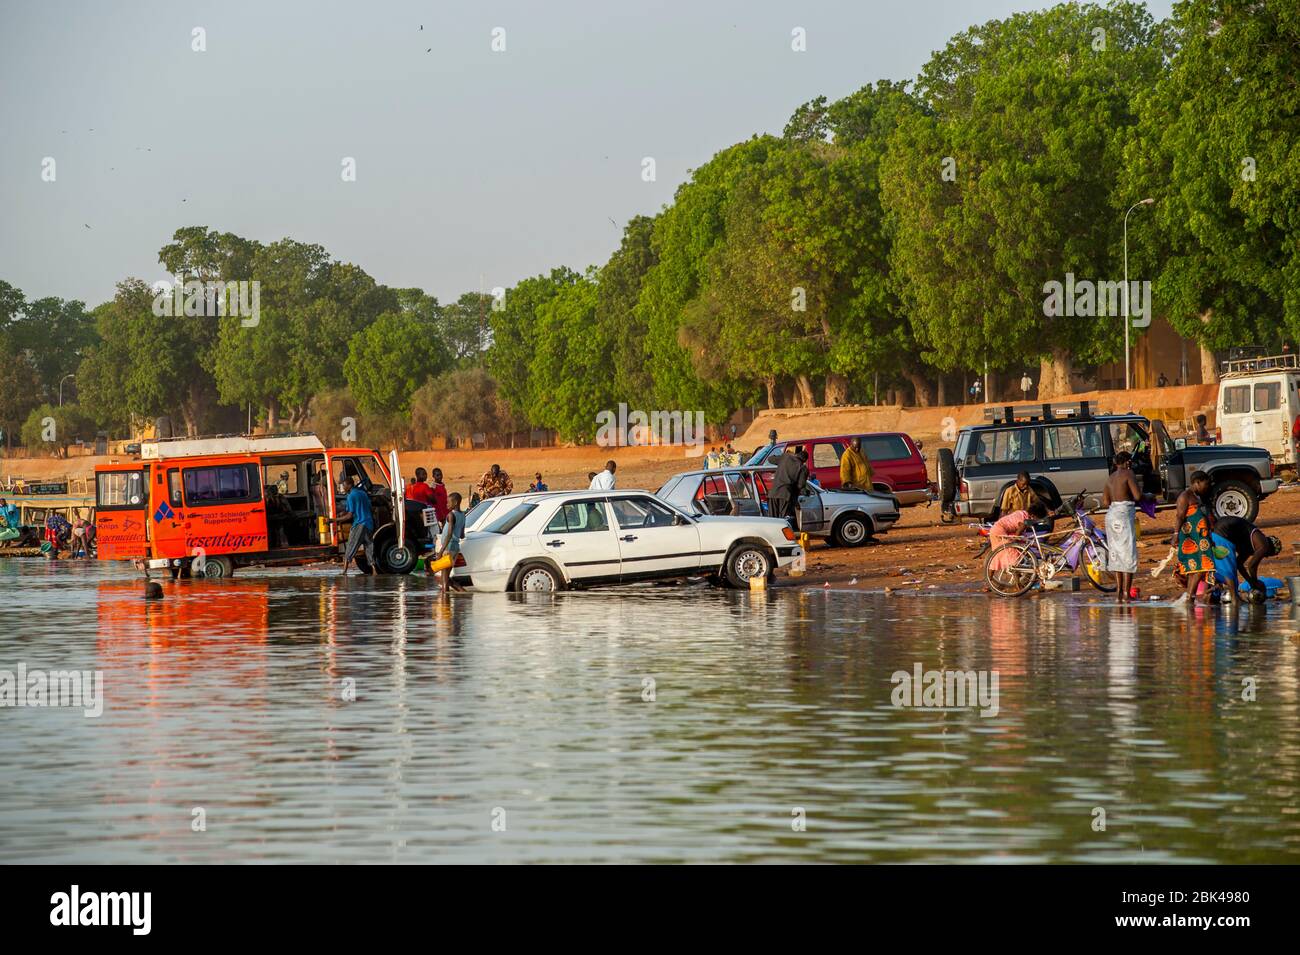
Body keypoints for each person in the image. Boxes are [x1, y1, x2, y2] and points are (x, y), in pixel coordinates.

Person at [1102, 451, 1143, 601]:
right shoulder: (1128, 473)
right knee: (1127, 554)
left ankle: (1119, 592)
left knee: (1116, 555)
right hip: (1124, 516)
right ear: (1127, 462)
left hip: (1111, 517)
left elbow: (1105, 502)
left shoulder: (1110, 478)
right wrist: (1148, 497)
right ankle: (1126, 593)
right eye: (1130, 461)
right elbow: (1137, 496)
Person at [1213, 516, 1282, 601]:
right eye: (1268, 554)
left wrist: (1250, 582)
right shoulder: (1264, 545)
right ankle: (1235, 599)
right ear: (1270, 549)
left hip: (1218, 532)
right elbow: (1251, 566)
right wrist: (1255, 583)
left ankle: (1225, 596)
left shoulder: (1250, 544)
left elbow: (1239, 564)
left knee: (1230, 570)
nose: (1266, 556)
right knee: (1228, 571)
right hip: (1223, 533)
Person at [1173, 471, 1215, 602]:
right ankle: (1190, 597)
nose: (1207, 487)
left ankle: (1189, 598)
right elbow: (1179, 516)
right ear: (1197, 483)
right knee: (1199, 568)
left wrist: (1210, 537)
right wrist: (1175, 535)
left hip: (1201, 538)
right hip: (1190, 538)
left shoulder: (1197, 496)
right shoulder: (1184, 496)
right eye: (1205, 484)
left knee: (1196, 569)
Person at [331, 474, 376, 576]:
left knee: (351, 547)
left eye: (344, 485)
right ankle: (374, 570)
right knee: (369, 547)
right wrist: (343, 513)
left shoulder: (351, 496)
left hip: (359, 524)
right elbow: (368, 507)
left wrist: (334, 520)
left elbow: (349, 516)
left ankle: (344, 571)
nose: (344, 487)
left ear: (349, 485)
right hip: (369, 524)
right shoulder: (363, 493)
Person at [988, 501, 1050, 573]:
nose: (1036, 521)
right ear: (1033, 515)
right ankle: (1016, 581)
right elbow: (1017, 536)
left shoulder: (1023, 514)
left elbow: (1021, 537)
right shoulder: (1024, 522)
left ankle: (992, 578)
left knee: (999, 555)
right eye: (1037, 519)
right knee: (1012, 555)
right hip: (999, 531)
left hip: (999, 530)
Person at [432, 491, 466, 595]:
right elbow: (461, 535)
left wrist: (440, 551)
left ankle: (444, 601)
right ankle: (463, 592)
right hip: (455, 548)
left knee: (444, 577)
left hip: (448, 548)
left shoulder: (451, 515)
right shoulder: (463, 515)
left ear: (455, 503)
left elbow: (450, 534)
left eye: (448, 502)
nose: (446, 504)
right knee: (445, 576)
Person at [770, 446, 809, 530]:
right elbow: (800, 486)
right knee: (782, 521)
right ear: (805, 460)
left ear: (797, 454)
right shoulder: (803, 468)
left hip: (772, 493)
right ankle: (781, 539)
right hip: (785, 495)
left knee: (772, 520)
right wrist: (805, 491)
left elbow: (770, 459)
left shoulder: (785, 457)